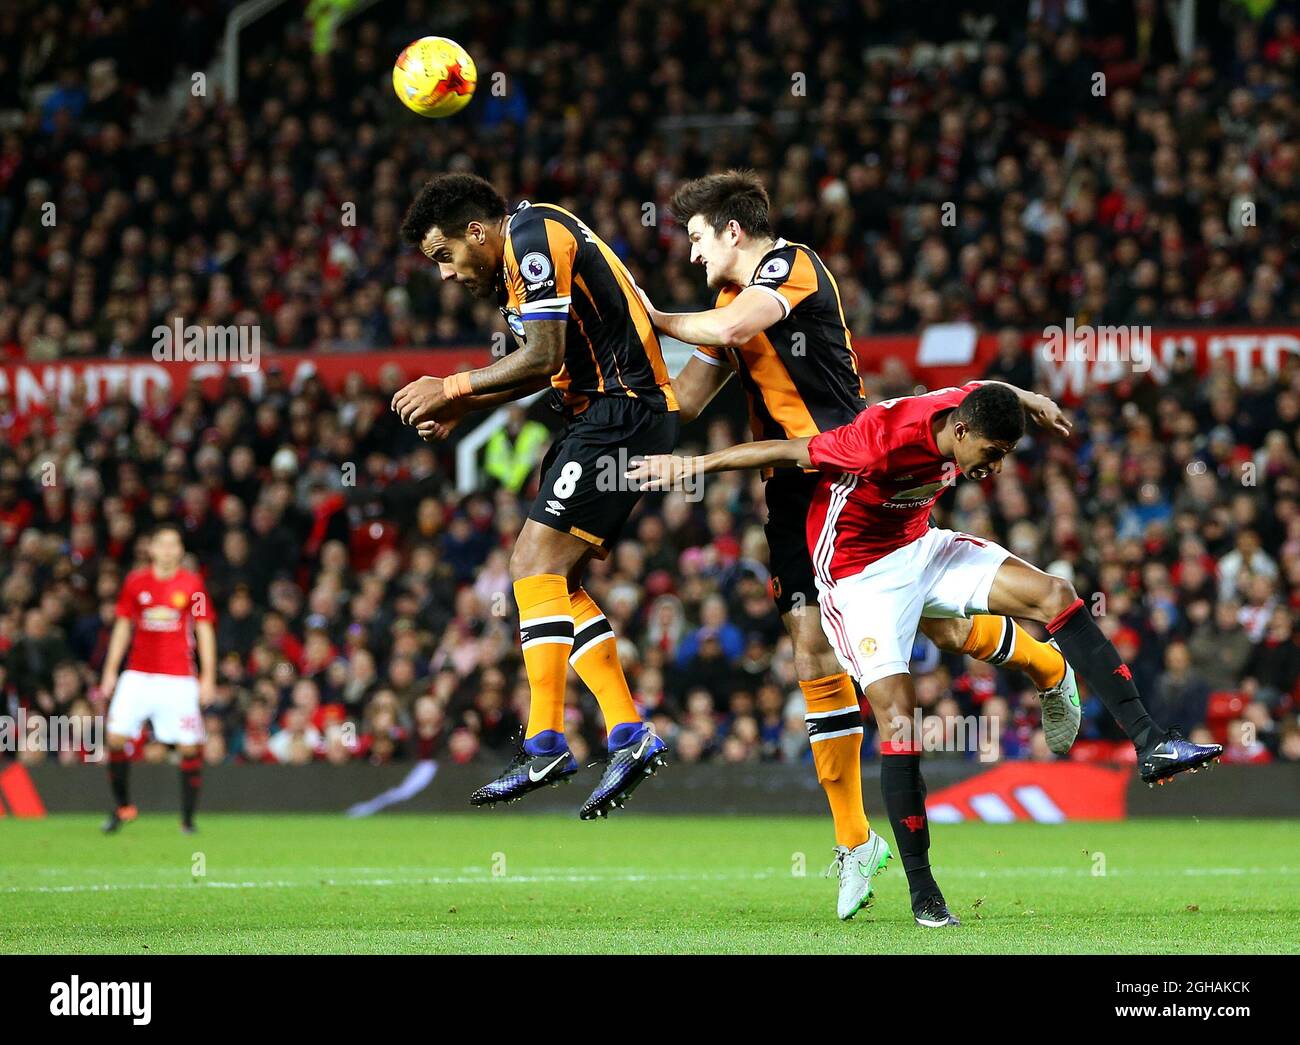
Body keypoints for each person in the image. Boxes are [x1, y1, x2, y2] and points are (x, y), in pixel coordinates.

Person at [637, 170, 1079, 921]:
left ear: (731, 231)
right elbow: (683, 397)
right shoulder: (720, 307)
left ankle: (1044, 659)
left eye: (697, 236)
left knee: (928, 623)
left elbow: (736, 328)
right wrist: (597, 371)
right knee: (813, 650)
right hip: (789, 478)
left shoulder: (789, 267)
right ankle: (853, 840)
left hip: (856, 465)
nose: (690, 251)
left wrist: (641, 311)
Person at [628, 380, 1223, 928]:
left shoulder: (964, 411)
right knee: (900, 716)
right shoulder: (877, 443)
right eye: (990, 452)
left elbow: (987, 392)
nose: (994, 466)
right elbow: (786, 452)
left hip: (922, 548)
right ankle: (923, 892)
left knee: (1055, 595)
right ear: (959, 434)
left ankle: (1150, 742)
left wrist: (1032, 399)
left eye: (1005, 454)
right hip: (856, 575)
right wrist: (694, 465)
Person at [390, 173, 677, 819]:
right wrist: (470, 408)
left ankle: (546, 740)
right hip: (602, 415)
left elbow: (543, 352)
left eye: (444, 256)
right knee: (555, 582)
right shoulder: (514, 269)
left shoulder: (531, 233)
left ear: (476, 231)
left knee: (529, 564)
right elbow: (553, 361)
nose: (444, 274)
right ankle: (628, 733)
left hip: (621, 410)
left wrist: (456, 386)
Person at [100, 523, 216, 834]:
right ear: (151, 549)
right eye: (161, 543)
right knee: (114, 739)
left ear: (180, 550)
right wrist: (111, 669)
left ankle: (188, 820)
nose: (167, 550)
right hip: (138, 674)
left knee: (189, 748)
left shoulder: (193, 585)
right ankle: (124, 808)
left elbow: (204, 629)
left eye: (173, 544)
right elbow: (123, 626)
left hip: (178, 678)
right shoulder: (136, 583)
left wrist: (208, 677)